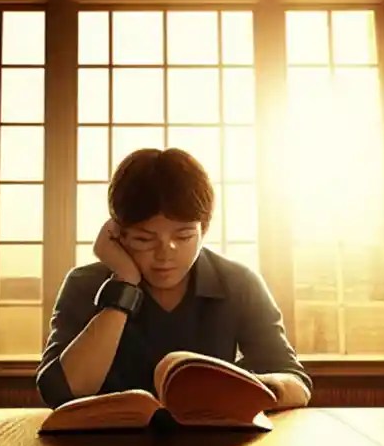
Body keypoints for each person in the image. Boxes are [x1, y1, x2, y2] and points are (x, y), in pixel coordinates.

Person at [36, 147, 312, 411]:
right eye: (145, 239)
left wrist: (245, 390)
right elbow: (60, 392)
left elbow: (295, 381)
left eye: (183, 237)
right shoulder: (84, 283)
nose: (165, 254)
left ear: (203, 230)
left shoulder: (238, 283)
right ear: (117, 233)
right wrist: (123, 287)